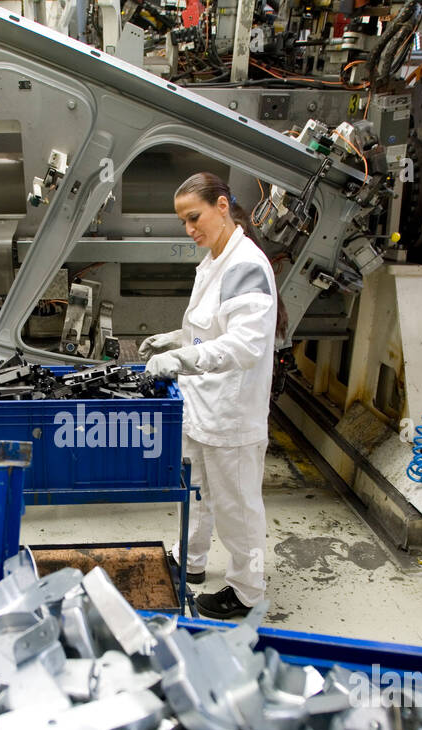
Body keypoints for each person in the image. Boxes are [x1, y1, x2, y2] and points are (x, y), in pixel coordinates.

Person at [142, 172, 279, 620]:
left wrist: (182, 359)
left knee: (238, 508)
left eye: (193, 217)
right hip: (201, 404)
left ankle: (247, 591)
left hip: (232, 413)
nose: (189, 229)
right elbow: (210, 328)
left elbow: (245, 344)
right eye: (182, 221)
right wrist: (174, 339)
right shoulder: (215, 259)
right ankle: (192, 561)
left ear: (222, 206)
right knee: (197, 492)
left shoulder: (245, 265)